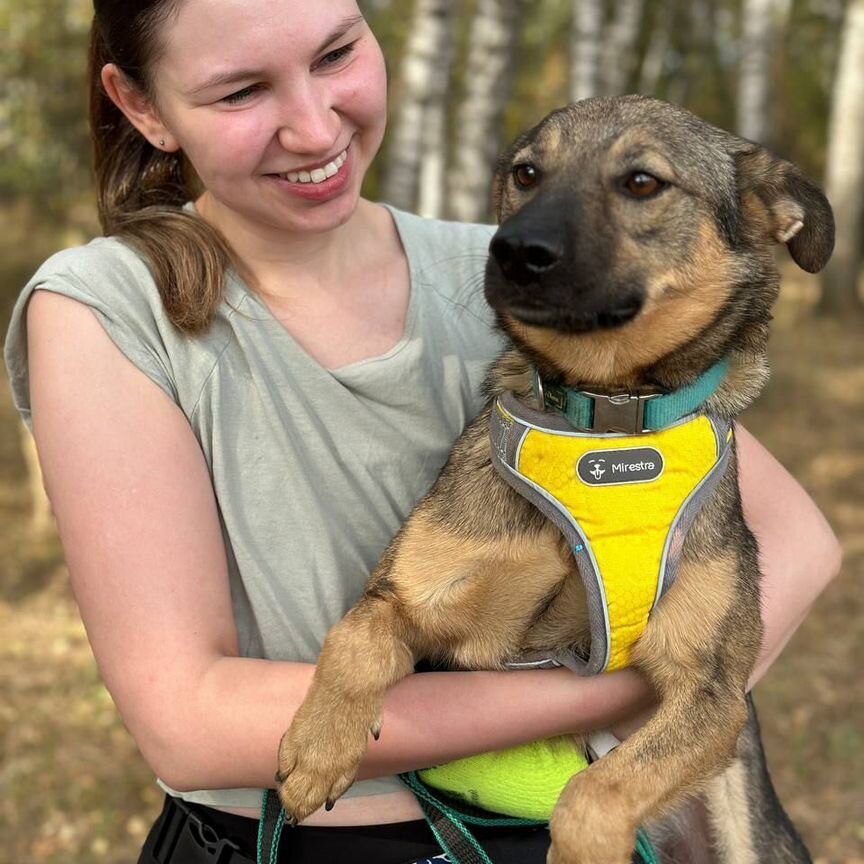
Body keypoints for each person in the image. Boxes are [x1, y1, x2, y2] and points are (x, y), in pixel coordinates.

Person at [4, 1, 841, 862]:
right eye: (242, 90)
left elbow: (799, 541)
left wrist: (678, 713)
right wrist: (627, 696)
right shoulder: (109, 307)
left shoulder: (526, 277)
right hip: (294, 841)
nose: (312, 124)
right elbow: (187, 722)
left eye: (335, 53)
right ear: (143, 107)